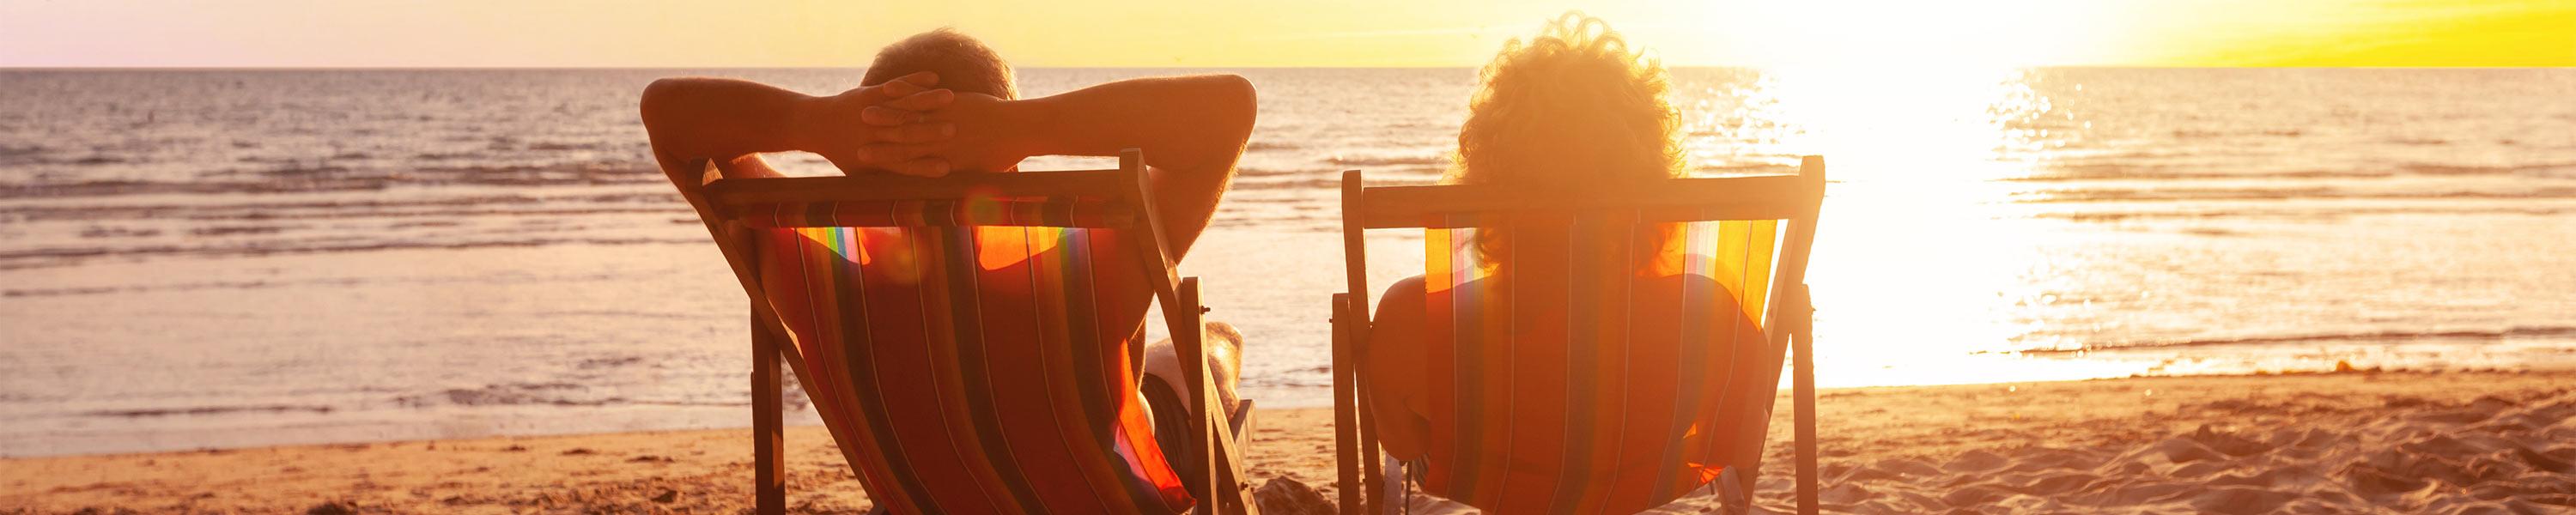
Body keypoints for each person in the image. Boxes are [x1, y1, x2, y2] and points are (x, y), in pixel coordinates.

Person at [640, 28, 1255, 511]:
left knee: (1170, 356)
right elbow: (1228, 108)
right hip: (1109, 495)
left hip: (926, 496)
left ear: (860, 163)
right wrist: (1024, 128)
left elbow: (667, 113)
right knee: (1208, 345)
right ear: (1004, 161)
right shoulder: (1091, 275)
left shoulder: (796, 266)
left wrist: (818, 125)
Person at [1359, 13, 1777, 512]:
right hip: (1648, 479)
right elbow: (1741, 445)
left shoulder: (1416, 315)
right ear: (1654, 173)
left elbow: (1404, 446)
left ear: (1485, 167)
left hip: (1477, 480)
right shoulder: (1707, 311)